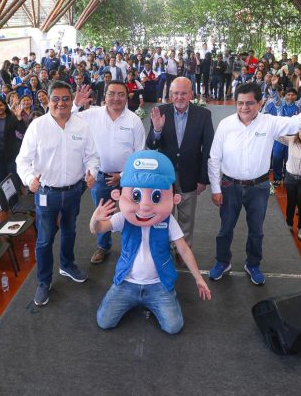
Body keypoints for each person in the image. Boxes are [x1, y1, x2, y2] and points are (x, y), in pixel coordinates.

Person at [207, 76, 301, 285]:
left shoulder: (270, 122)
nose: (244, 107)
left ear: (260, 103)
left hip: (259, 187)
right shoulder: (225, 125)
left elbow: (299, 123)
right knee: (225, 229)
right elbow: (214, 158)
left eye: (250, 103)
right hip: (229, 186)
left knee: (256, 230)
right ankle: (222, 261)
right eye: (240, 103)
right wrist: (216, 188)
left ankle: (253, 264)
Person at [91, 150, 211, 334]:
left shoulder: (168, 221)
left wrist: (198, 278)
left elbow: (184, 249)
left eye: (156, 197)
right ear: (118, 195)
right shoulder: (123, 218)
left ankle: (155, 300)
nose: (145, 206)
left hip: (158, 285)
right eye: (136, 196)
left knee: (173, 326)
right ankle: (134, 300)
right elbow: (97, 229)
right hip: (127, 283)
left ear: (175, 199)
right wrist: (95, 219)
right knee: (104, 321)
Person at [16, 82, 99, 307]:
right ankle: (44, 281)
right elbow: (22, 161)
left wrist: (92, 172)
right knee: (44, 239)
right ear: (48, 101)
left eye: (65, 98)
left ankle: (67, 265)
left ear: (71, 101)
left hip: (74, 191)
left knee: (70, 230)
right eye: (55, 98)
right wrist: (29, 180)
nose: (60, 103)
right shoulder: (37, 126)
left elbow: (92, 156)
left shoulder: (82, 126)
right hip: (46, 193)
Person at [73, 82, 146, 265]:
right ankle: (103, 246)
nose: (116, 98)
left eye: (121, 94)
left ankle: (131, 246)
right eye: (111, 94)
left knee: (132, 212)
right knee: (103, 211)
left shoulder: (134, 120)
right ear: (104, 96)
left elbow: (140, 153)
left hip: (129, 178)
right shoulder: (92, 115)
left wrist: (122, 175)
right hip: (101, 177)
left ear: (127, 97)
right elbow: (68, 120)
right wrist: (75, 104)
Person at [146, 77, 214, 248]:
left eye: (184, 93)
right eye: (176, 93)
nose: (179, 97)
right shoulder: (160, 112)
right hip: (164, 176)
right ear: (170, 94)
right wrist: (157, 129)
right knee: (163, 214)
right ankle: (163, 247)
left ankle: (183, 249)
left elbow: (208, 150)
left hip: (191, 175)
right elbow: (152, 144)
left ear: (191, 94)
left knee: (187, 216)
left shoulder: (204, 115)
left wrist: (202, 179)